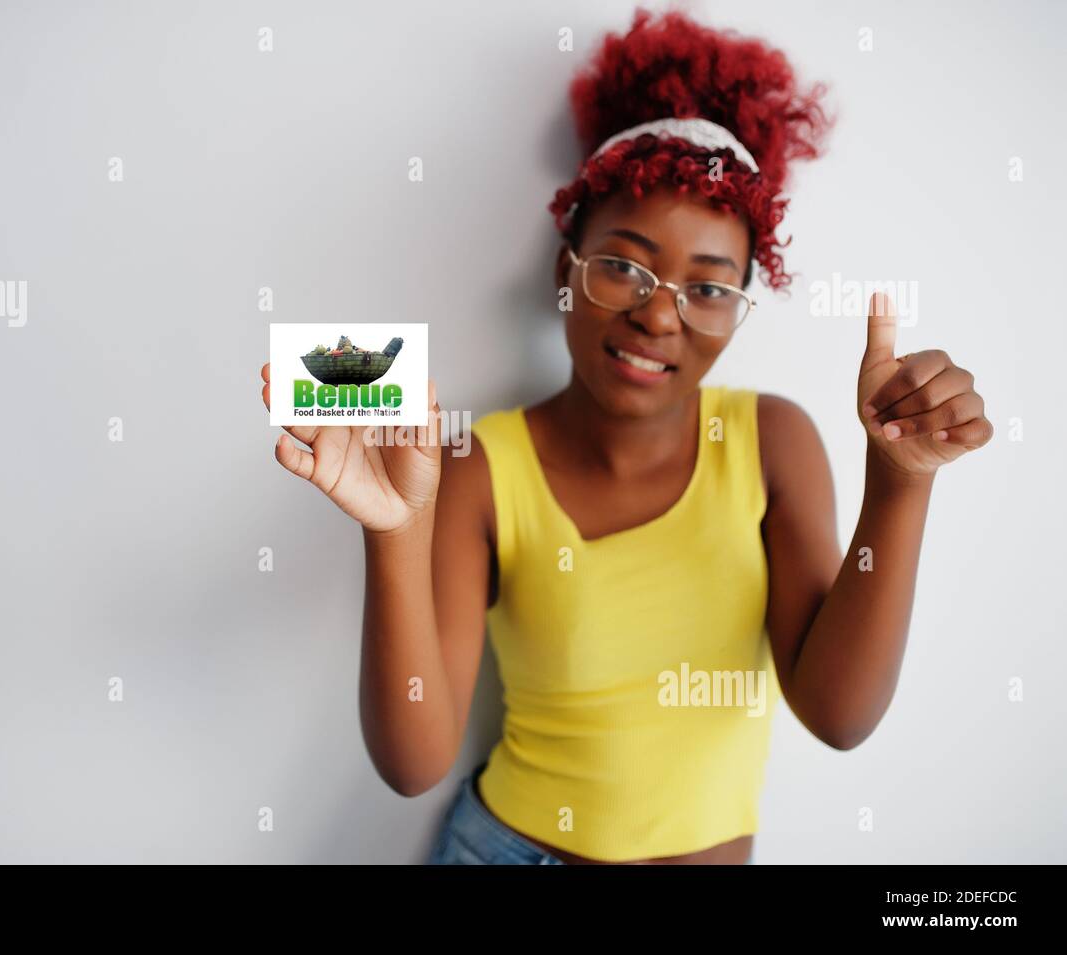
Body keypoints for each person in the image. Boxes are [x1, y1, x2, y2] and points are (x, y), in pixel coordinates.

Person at [259, 9, 991, 864]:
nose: (657, 314)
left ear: (740, 309)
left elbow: (839, 714)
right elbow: (414, 763)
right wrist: (392, 533)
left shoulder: (774, 444)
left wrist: (901, 483)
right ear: (563, 268)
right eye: (623, 265)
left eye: (708, 287)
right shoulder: (477, 464)